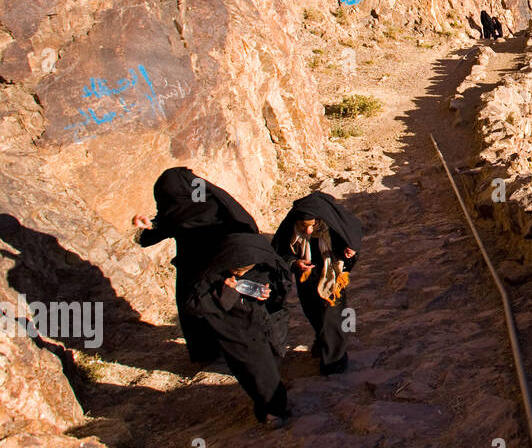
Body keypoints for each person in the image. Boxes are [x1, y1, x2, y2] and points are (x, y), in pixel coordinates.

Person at [133, 167, 259, 363]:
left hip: (216, 264)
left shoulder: (201, 206)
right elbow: (164, 223)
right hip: (195, 264)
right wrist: (151, 225)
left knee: (213, 305)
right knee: (198, 309)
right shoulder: (191, 201)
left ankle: (226, 350)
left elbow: (176, 218)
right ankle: (212, 352)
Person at [186, 233, 292, 424]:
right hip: (233, 333)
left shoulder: (261, 263)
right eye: (237, 270)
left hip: (260, 324)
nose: (239, 275)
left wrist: (264, 294)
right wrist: (226, 293)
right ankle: (272, 411)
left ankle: (273, 407)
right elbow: (196, 306)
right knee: (254, 372)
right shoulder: (210, 272)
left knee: (268, 367)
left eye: (244, 271)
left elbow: (278, 286)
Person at [272, 192, 362, 375]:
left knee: (332, 320)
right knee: (314, 314)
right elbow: (279, 253)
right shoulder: (291, 228)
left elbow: (350, 246)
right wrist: (295, 263)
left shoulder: (333, 227)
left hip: (332, 279)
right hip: (307, 280)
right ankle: (323, 345)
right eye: (304, 227)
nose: (308, 232)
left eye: (312, 226)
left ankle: (335, 362)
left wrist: (349, 254)